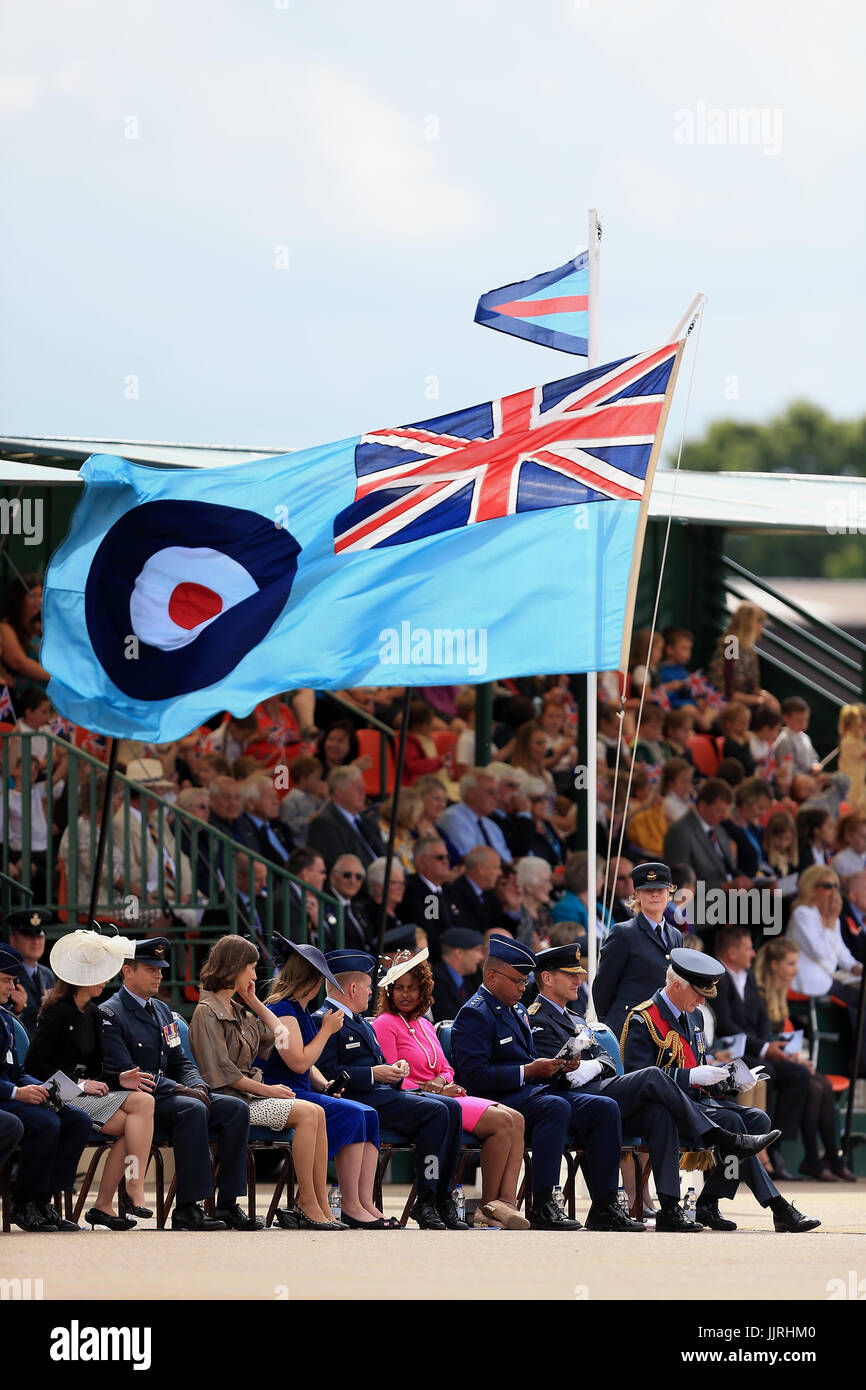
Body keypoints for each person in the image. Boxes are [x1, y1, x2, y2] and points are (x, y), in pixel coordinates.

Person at [527, 944, 772, 1232]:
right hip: (579, 1098)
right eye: (569, 975)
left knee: (671, 1113)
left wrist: (593, 1066)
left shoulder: (576, 1018)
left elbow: (605, 1058)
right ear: (546, 978)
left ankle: (675, 1205)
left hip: (606, 1091)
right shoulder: (538, 1017)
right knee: (655, 1078)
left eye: (578, 974)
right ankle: (736, 1156)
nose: (578, 981)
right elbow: (558, 1070)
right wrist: (584, 1068)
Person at [451, 936, 646, 1232]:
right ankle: (544, 1202)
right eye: (516, 981)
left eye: (523, 981)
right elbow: (473, 1077)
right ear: (491, 977)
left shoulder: (515, 1010)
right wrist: (528, 1072)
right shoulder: (474, 1013)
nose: (522, 988)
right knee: (553, 1107)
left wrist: (558, 1067)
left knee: (604, 1108)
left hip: (531, 1092)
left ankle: (605, 1205)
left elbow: (531, 1061)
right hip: (496, 1100)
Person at [621, 947, 819, 1232]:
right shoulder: (644, 1018)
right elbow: (638, 1080)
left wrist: (730, 1081)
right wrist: (690, 1076)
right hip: (661, 1111)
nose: (702, 1000)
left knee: (757, 1120)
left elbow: (702, 1073)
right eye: (698, 993)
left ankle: (709, 1201)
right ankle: (777, 1206)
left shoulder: (695, 1016)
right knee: (735, 1124)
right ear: (676, 985)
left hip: (700, 1105)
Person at [100, 936, 252, 1231]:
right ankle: (188, 1208)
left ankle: (229, 1203)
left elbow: (181, 1061)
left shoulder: (162, 1011)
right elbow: (124, 1071)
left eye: (161, 968)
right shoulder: (110, 1013)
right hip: (138, 1101)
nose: (159, 974)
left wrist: (197, 1084)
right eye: (150, 968)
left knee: (235, 1108)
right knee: (191, 1109)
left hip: (174, 1095)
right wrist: (182, 1090)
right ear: (127, 971)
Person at [190, 934, 339, 1231]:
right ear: (234, 967)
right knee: (309, 1113)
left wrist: (254, 1001)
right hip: (230, 1099)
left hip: (248, 1097)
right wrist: (267, 1090)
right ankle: (307, 1202)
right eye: (252, 968)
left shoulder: (238, 1009)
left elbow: (279, 1035)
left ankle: (319, 1201)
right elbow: (222, 1074)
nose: (256, 976)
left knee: (318, 1113)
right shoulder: (206, 1012)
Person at [372, 953, 529, 1230]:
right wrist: (430, 1090)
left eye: (412, 987)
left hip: (444, 1096)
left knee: (516, 1118)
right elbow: (391, 1076)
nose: (405, 994)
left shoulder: (423, 1024)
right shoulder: (386, 1023)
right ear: (389, 990)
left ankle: (506, 1203)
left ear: (424, 989)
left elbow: (445, 1067)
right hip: (415, 1100)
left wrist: (443, 1084)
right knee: (503, 1122)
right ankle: (486, 1207)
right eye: (399, 988)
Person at [314, 948, 466, 1230]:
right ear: (353, 987)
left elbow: (381, 1066)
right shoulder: (325, 1018)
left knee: (452, 1108)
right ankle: (426, 1199)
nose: (372, 993)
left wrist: (395, 1072)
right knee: (435, 1112)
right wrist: (374, 1074)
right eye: (370, 987)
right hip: (356, 1098)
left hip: (380, 1095)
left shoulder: (359, 1021)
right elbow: (326, 1074)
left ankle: (443, 1197)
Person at [24, 928, 155, 1229]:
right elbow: (34, 1064)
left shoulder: (94, 1013)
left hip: (87, 1094)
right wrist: (80, 1086)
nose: (106, 978)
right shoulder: (58, 1012)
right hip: (59, 1094)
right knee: (139, 1111)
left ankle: (107, 1203)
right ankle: (129, 1192)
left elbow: (94, 1069)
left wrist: (120, 1076)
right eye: (99, 973)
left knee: (137, 1114)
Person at [258, 938, 392, 1229]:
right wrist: (328, 1031)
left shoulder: (300, 1009)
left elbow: (310, 1067)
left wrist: (325, 1083)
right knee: (353, 1113)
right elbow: (297, 1061)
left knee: (364, 1112)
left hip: (302, 1088)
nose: (321, 985)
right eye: (319, 979)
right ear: (310, 980)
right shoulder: (283, 1009)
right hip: (281, 1091)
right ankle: (328, 1202)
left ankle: (355, 1202)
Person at [0, 944, 92, 1231]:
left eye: (13, 981)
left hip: (12, 1092)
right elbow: (12, 1081)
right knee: (45, 1122)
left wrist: (45, 1088)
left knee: (78, 1119)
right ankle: (23, 1202)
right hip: (4, 1098)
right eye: (6, 980)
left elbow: (16, 1071)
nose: (13, 987)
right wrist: (18, 1093)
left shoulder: (3, 1018)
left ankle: (44, 1200)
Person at [711, 925, 810, 1181]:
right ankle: (752, 1147)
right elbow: (724, 1024)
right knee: (766, 1070)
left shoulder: (749, 977)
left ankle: (774, 1147)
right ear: (732, 953)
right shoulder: (716, 976)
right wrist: (764, 1048)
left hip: (756, 1050)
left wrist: (768, 1044)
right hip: (726, 1052)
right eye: (748, 948)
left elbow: (763, 1019)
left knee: (799, 1074)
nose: (754, 954)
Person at [754, 938, 856, 1181]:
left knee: (821, 1084)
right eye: (790, 964)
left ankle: (826, 1157)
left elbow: (785, 1038)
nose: (795, 969)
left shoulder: (779, 993)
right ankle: (795, 1154)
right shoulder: (758, 991)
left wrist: (796, 1058)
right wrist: (791, 1059)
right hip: (762, 1058)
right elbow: (761, 1038)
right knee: (810, 1082)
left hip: (781, 1059)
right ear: (775, 965)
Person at [591, 862, 685, 1041]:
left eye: (660, 889)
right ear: (637, 895)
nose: (655, 894)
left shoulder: (676, 936)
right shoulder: (623, 932)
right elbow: (603, 985)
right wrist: (611, 1024)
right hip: (629, 1029)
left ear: (669, 893)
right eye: (648, 890)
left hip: (664, 1029)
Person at [787, 864, 866, 1073]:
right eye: (827, 886)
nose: (833, 892)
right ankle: (858, 1064)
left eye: (835, 886)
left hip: (828, 978)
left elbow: (842, 952)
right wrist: (829, 922)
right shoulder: (803, 913)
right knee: (858, 1000)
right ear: (813, 888)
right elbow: (819, 951)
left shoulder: (830, 916)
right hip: (809, 981)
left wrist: (857, 968)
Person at [662, 777, 751, 896]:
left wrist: (744, 880)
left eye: (725, 812)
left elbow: (729, 869)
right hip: (702, 906)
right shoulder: (680, 832)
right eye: (719, 811)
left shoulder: (717, 827)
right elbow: (679, 884)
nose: (724, 817)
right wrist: (723, 887)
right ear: (703, 806)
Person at [307, 765, 385, 870]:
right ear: (338, 791)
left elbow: (385, 854)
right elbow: (340, 869)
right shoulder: (324, 824)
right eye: (357, 788)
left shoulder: (368, 821)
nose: (363, 792)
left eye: (363, 787)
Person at [397, 835, 456, 960]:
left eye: (447, 857)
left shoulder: (447, 890)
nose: (446, 861)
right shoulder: (415, 890)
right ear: (421, 862)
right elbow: (432, 933)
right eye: (440, 857)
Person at [436, 768, 512, 864]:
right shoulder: (454, 818)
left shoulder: (490, 825)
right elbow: (471, 861)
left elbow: (507, 859)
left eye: (498, 793)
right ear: (470, 793)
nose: (497, 798)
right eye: (491, 792)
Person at [5, 908, 55, 1039]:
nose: (36, 941)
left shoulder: (47, 974)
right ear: (13, 940)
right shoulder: (6, 975)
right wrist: (18, 1011)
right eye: (28, 935)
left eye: (39, 935)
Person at [430, 927, 485, 1022]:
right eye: (477, 950)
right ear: (459, 953)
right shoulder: (434, 983)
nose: (481, 957)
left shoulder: (466, 985)